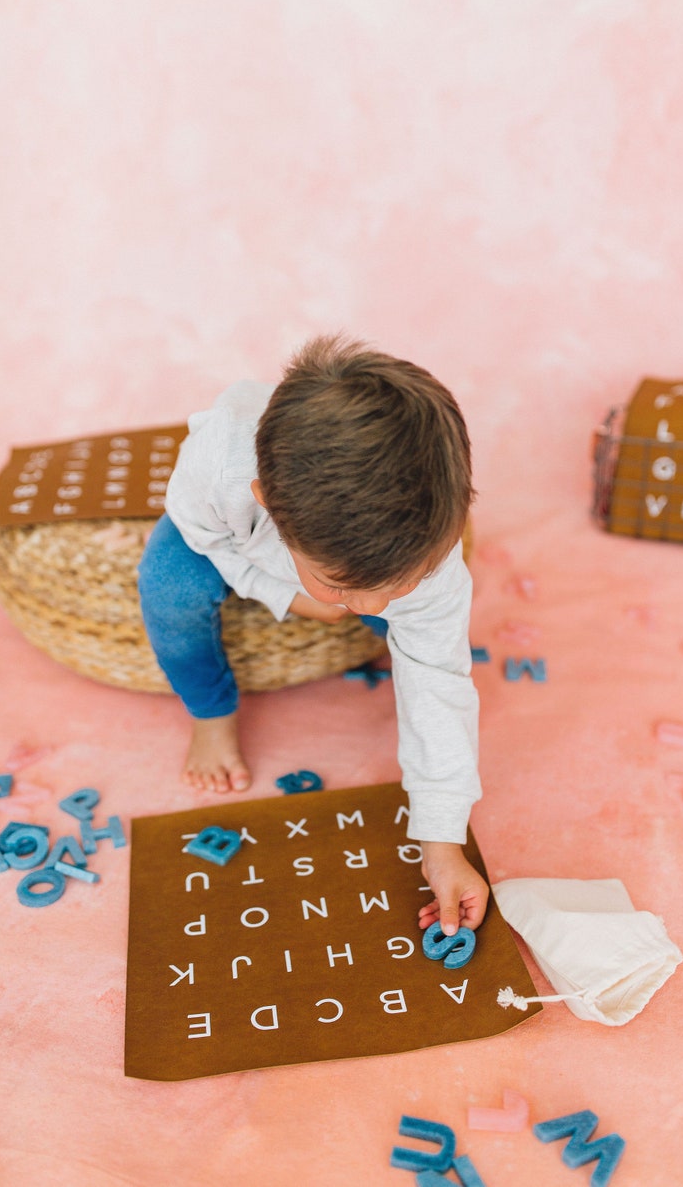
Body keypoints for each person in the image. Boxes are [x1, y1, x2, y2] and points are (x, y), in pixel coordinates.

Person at [138, 335, 488, 933]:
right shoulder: (219, 466)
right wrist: (287, 593)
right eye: (346, 585)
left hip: (337, 545)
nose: (372, 606)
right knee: (166, 580)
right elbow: (207, 540)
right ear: (266, 504)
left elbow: (439, 684)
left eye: (408, 579)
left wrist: (442, 843)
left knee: (422, 638)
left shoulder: (433, 557)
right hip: (223, 540)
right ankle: (210, 712)